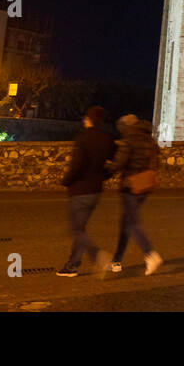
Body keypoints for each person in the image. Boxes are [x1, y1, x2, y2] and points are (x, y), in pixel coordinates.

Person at [56, 106, 115, 277]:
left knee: (76, 230)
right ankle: (71, 266)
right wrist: (105, 176)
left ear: (89, 120)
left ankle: (98, 257)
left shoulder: (83, 139)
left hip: (80, 190)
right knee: (79, 230)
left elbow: (76, 166)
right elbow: (115, 161)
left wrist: (65, 181)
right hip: (96, 190)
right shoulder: (107, 139)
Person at [106, 114, 164, 275]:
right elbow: (156, 162)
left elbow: (119, 163)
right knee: (126, 222)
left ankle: (150, 254)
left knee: (131, 223)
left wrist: (106, 170)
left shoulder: (129, 140)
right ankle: (116, 261)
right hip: (145, 185)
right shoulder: (149, 140)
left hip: (130, 186)